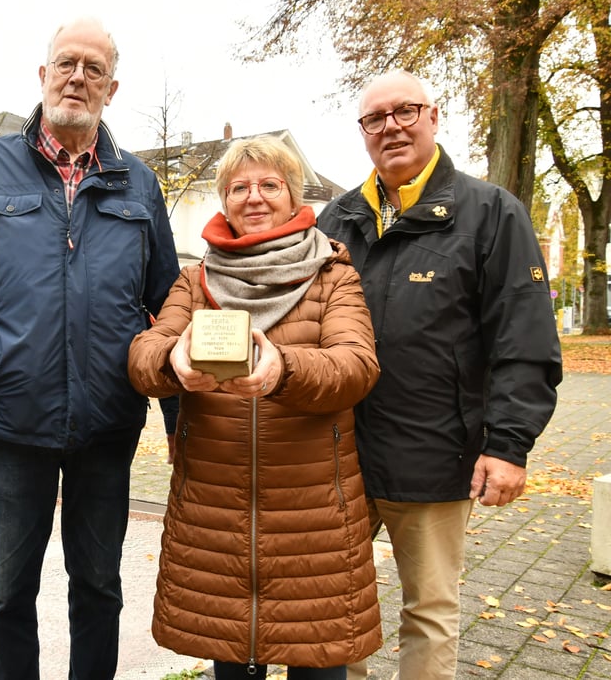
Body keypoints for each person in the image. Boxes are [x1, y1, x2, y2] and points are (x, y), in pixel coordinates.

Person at [0, 16, 180, 680]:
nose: (77, 77)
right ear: (43, 75)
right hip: (7, 426)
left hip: (107, 428)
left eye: (93, 68)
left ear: (112, 87)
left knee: (100, 591)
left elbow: (172, 311)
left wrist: (183, 430)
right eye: (65, 64)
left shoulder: (138, 185)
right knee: (4, 597)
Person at [317, 70, 563, 680]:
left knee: (428, 610)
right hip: (335, 452)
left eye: (405, 111)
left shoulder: (490, 214)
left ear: (434, 115)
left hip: (434, 450)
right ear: (363, 133)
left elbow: (524, 339)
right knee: (333, 606)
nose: (391, 127)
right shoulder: (337, 217)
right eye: (376, 119)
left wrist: (507, 446)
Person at [128, 135, 383, 680]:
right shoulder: (196, 280)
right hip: (215, 517)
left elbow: (356, 365)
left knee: (318, 665)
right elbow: (143, 354)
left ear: (294, 197)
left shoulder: (331, 275)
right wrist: (173, 362)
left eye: (271, 185)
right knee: (232, 667)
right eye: (239, 187)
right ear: (225, 200)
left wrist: (283, 370)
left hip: (312, 520)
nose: (255, 197)